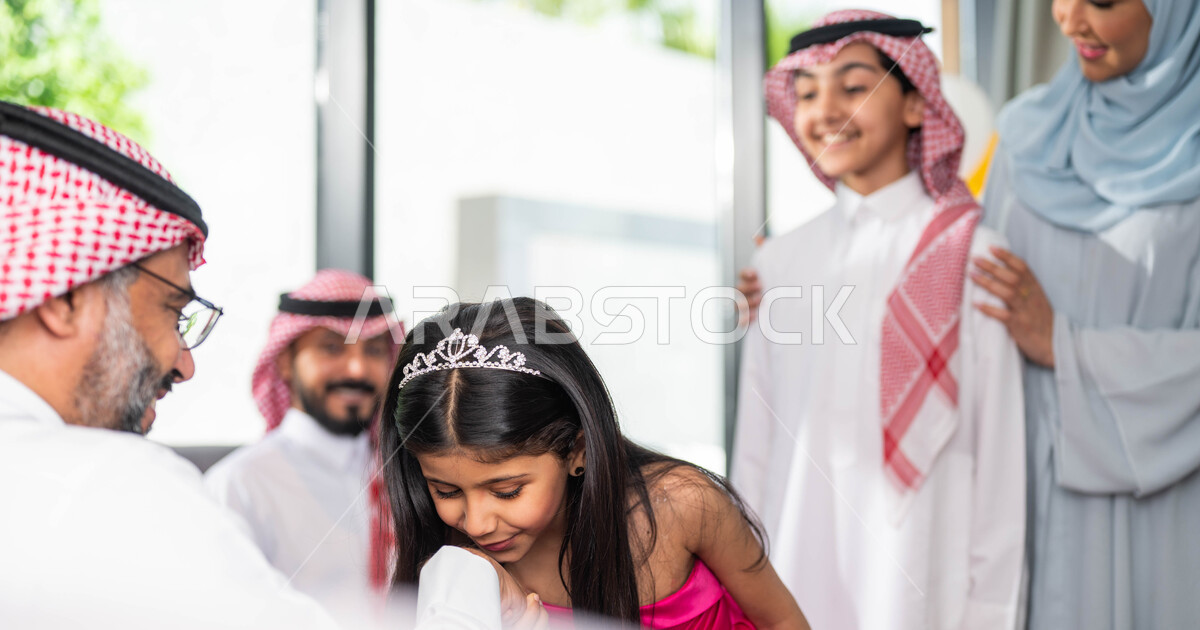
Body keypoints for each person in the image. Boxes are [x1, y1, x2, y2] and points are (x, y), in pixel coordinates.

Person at [0, 101, 517, 629]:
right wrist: (464, 579)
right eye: (172, 311)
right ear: (65, 302)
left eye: (372, 350)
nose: (185, 365)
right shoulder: (115, 482)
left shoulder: (412, 473)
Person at [731, 11, 1025, 630]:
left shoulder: (971, 253)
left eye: (854, 85)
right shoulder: (777, 261)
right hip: (792, 571)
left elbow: (999, 457)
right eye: (807, 93)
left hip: (924, 573)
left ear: (918, 107)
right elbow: (756, 446)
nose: (825, 109)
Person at [970, 1, 1200, 628]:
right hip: (1018, 481)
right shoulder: (1024, 136)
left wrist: (1064, 344)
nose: (1069, 20)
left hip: (1158, 502)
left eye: (1100, 1)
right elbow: (963, 281)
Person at [380, 298, 810, 629]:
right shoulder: (456, 567)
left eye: (507, 491)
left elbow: (785, 622)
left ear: (578, 451)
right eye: (446, 491)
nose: (475, 524)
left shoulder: (682, 505)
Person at [205, 270, 403, 619]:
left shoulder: (406, 472)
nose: (357, 369)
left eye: (373, 351)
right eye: (331, 348)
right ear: (284, 360)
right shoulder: (241, 484)